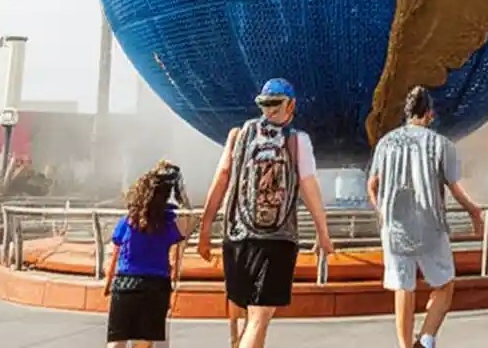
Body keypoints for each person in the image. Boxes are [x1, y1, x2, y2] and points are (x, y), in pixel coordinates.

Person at [197, 78, 336, 348]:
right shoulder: (297, 140)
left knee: (252, 314)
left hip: (237, 237)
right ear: (291, 105)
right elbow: (309, 187)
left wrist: (205, 229)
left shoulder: (237, 135)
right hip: (277, 240)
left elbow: (222, 178)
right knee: (260, 317)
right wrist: (323, 233)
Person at [368, 86, 484, 348]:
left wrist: (382, 211)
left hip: (394, 227)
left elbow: (372, 185)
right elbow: (454, 188)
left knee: (403, 286)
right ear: (429, 114)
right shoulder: (441, 144)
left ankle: (404, 345)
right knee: (445, 284)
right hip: (430, 226)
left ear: (406, 113)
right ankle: (427, 337)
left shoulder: (386, 143)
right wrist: (474, 211)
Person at [104, 161, 191, 348]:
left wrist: (108, 281)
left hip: (125, 283)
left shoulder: (128, 220)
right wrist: (181, 194)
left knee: (116, 341)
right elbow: (191, 221)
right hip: (156, 285)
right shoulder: (168, 222)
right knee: (144, 343)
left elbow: (115, 250)